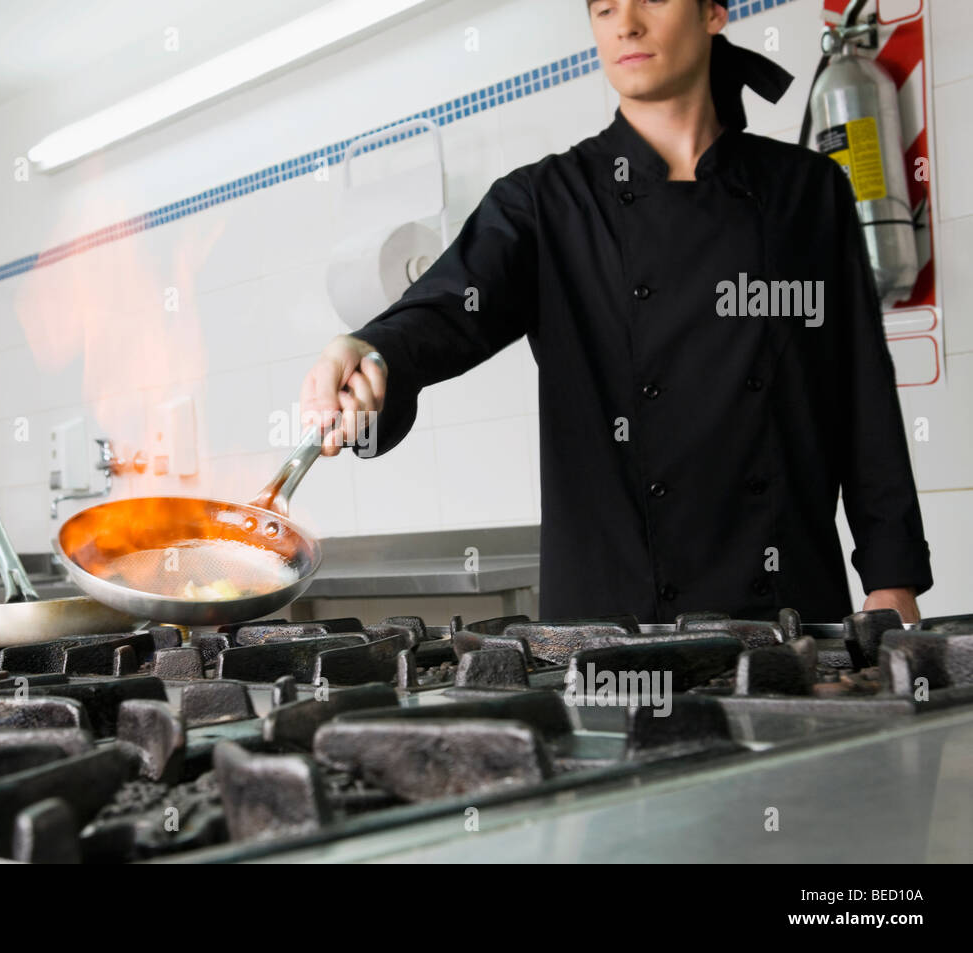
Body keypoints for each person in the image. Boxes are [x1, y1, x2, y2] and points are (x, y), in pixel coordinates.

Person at [298, 0, 932, 624]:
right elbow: (447, 312)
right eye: (603, 9)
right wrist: (369, 350)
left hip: (790, 611)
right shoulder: (546, 204)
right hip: (615, 629)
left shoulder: (807, 191)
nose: (625, 22)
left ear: (714, 12)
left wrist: (892, 577)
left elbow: (861, 392)